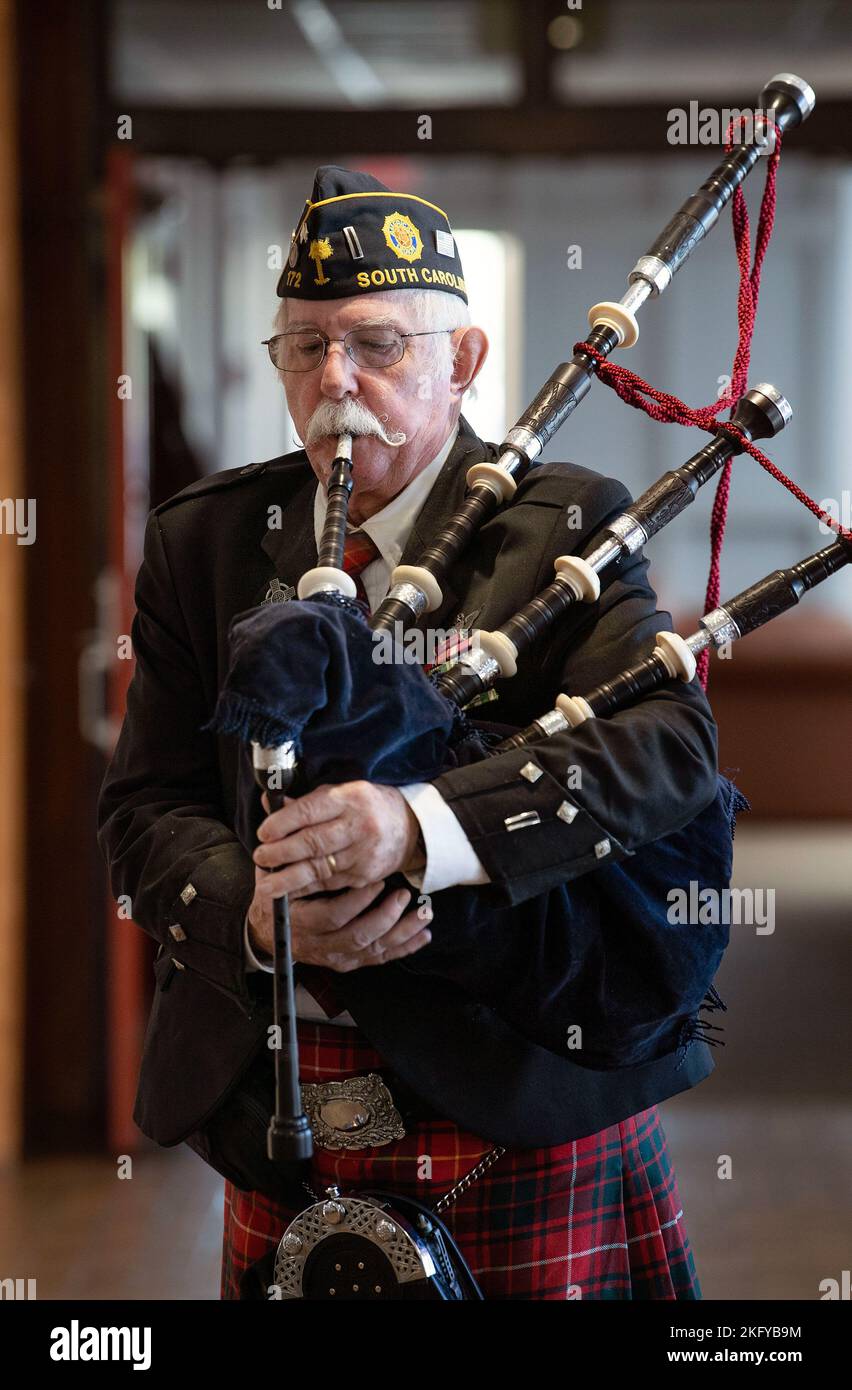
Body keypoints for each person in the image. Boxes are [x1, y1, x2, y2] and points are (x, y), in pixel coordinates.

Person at [97, 165, 721, 1301]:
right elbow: (143, 808)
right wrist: (256, 910)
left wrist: (417, 827)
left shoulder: (566, 526)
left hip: (522, 1078)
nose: (336, 380)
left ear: (463, 361)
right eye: (306, 346)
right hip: (275, 1100)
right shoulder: (209, 541)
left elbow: (668, 756)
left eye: (376, 343)